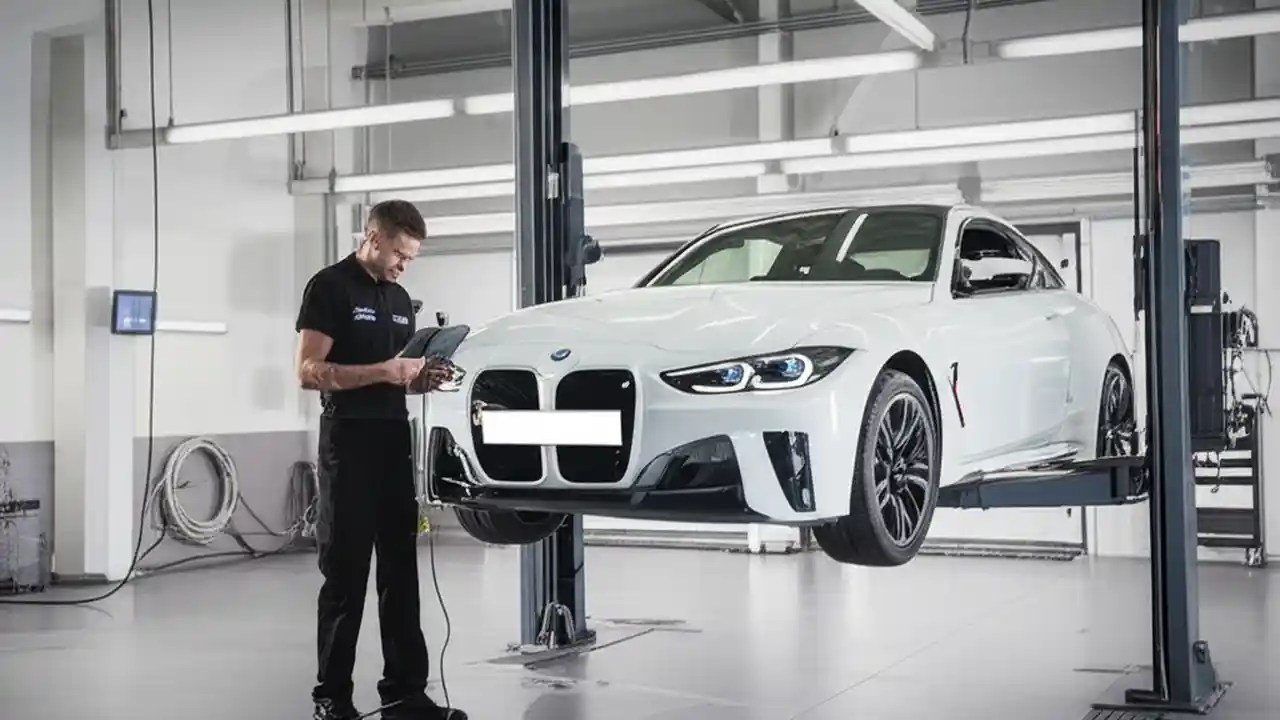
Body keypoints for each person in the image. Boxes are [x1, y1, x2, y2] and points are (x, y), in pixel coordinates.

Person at [294, 200, 466, 720]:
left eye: (410, 259)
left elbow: (397, 377)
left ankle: (405, 692)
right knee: (345, 573)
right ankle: (332, 698)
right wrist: (389, 371)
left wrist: (420, 378)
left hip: (394, 440)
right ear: (371, 237)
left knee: (400, 569)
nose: (402, 265)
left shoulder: (398, 300)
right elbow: (308, 370)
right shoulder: (329, 287)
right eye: (398, 253)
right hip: (348, 443)